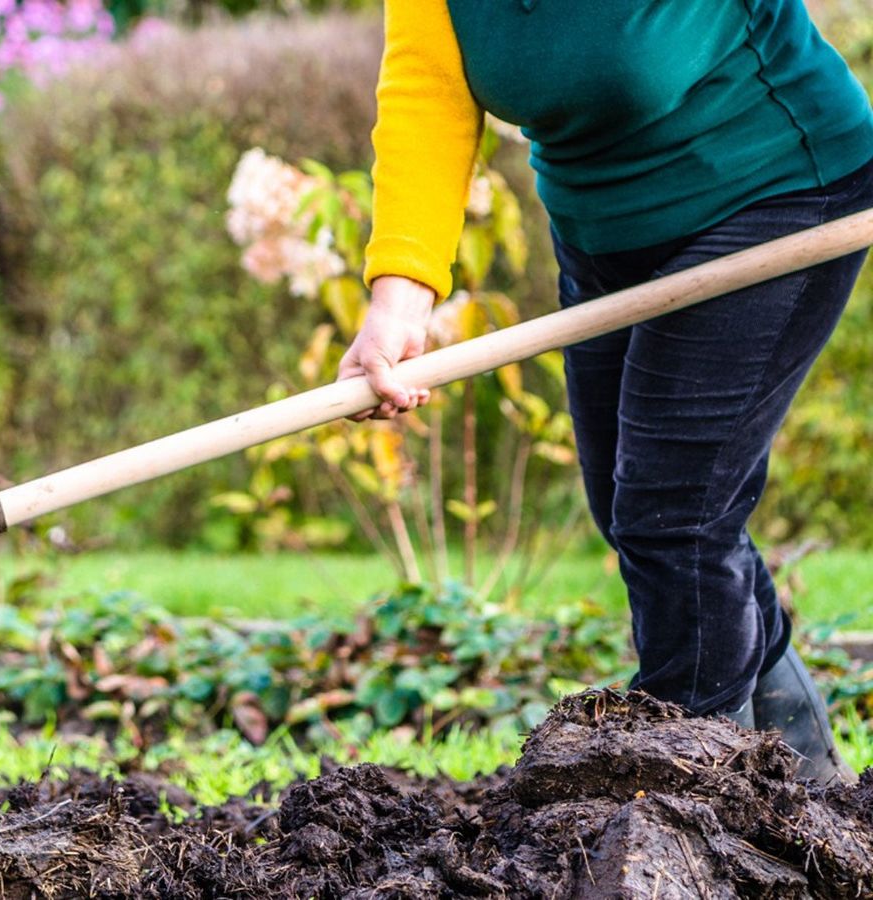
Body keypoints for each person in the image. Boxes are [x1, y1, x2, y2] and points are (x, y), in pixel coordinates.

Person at [338, 0, 873, 783]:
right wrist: (399, 299)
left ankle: (689, 791)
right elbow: (429, 92)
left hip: (774, 193)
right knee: (648, 512)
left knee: (675, 517)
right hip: (604, 236)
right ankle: (805, 780)